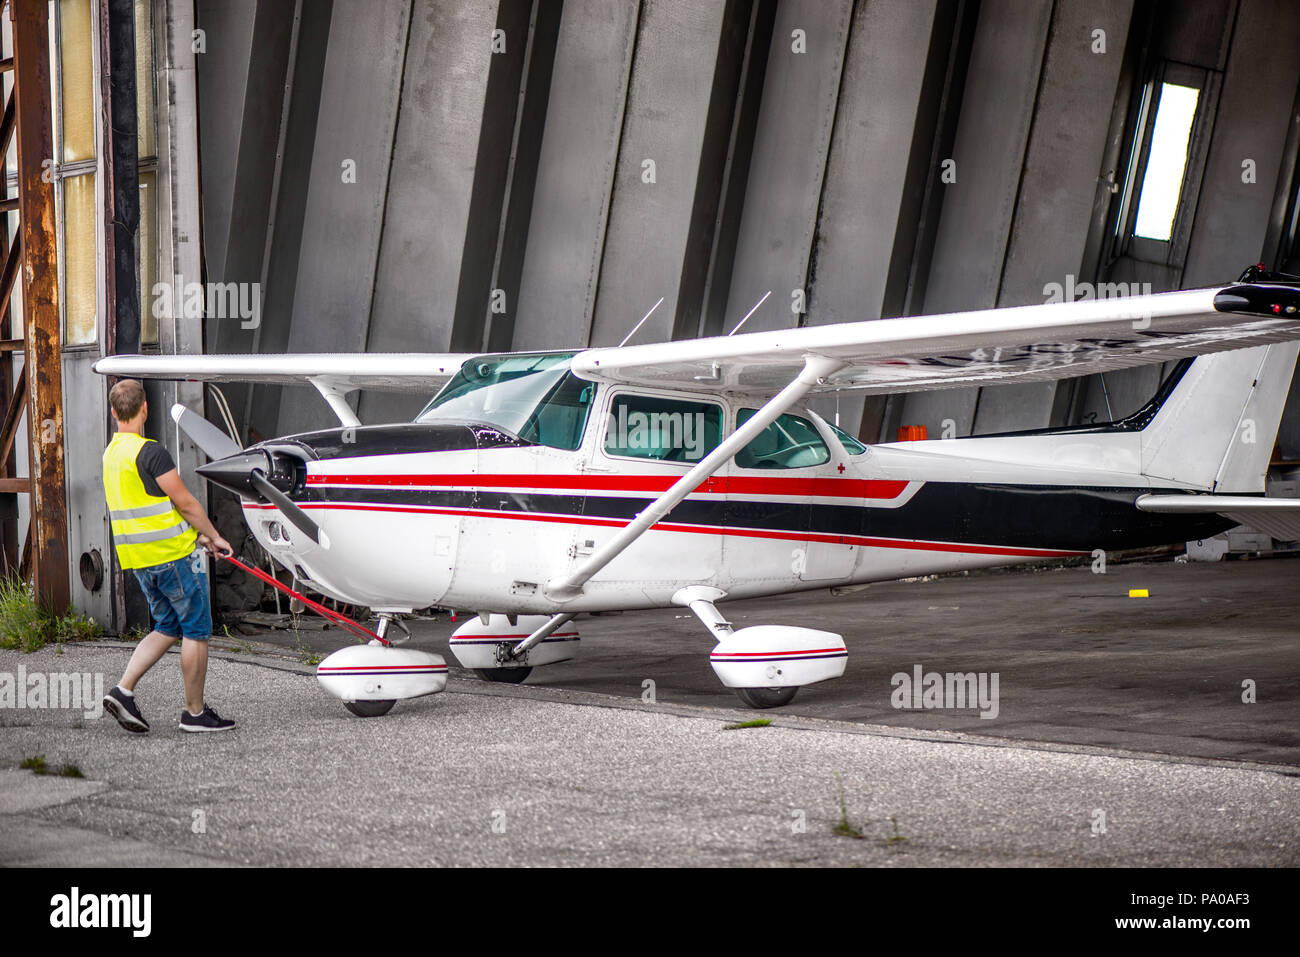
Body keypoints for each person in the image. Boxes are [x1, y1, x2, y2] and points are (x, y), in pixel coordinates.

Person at [99, 379, 237, 733]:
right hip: (171, 558)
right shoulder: (151, 452)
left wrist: (197, 535)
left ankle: (123, 690)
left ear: (114, 413)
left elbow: (150, 507)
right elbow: (185, 502)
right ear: (145, 408)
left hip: (139, 560)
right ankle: (195, 714)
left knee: (168, 626)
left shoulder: (112, 453)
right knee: (196, 629)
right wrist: (214, 536)